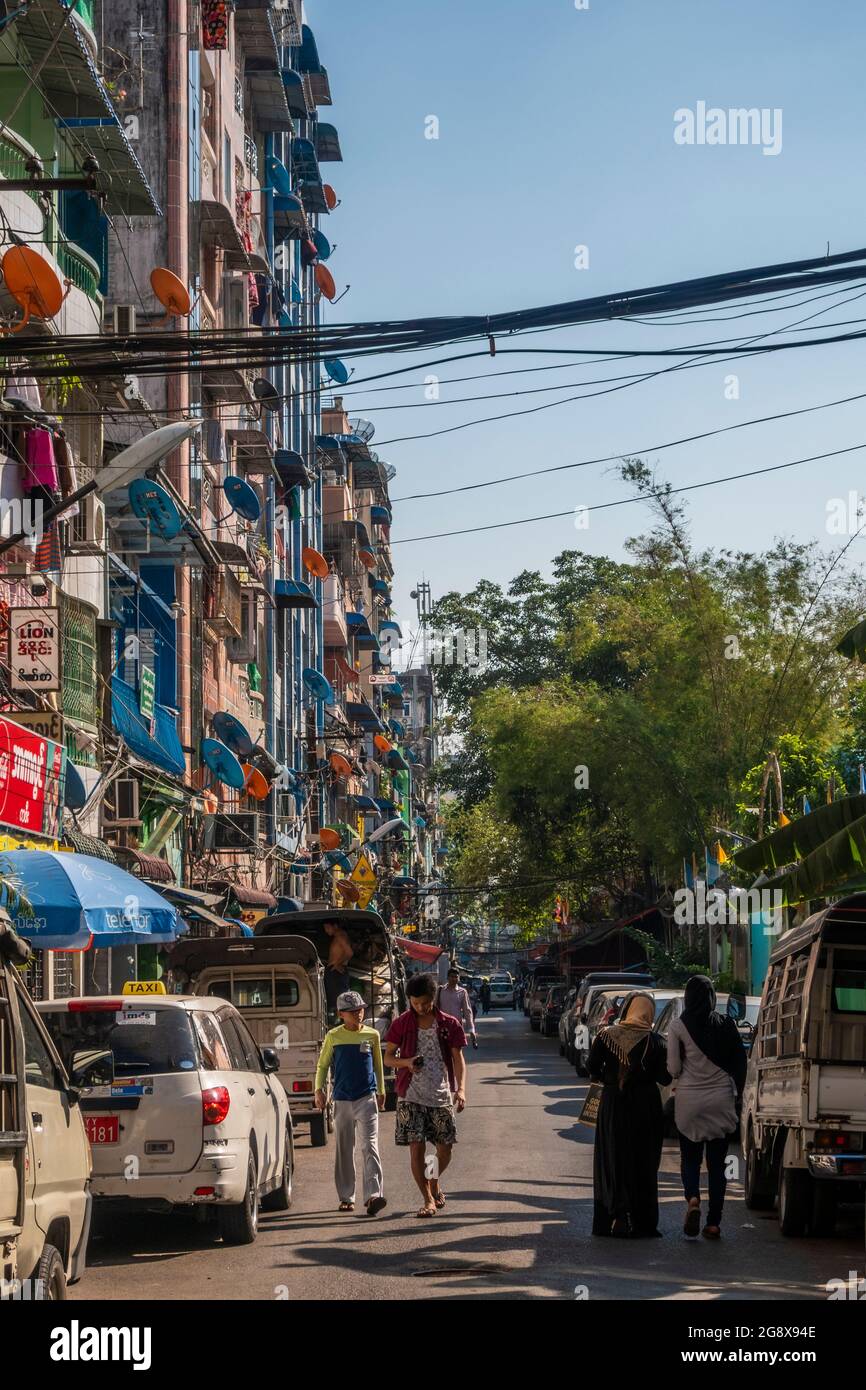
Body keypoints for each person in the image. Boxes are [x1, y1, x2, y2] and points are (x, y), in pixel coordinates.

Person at [666, 975, 747, 1240]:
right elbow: (740, 1063)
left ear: (688, 997)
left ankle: (692, 1199)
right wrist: (736, 1092)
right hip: (720, 1101)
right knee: (717, 1164)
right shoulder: (726, 1024)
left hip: (689, 1101)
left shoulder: (677, 1026)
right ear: (712, 997)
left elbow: (674, 1069)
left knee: (690, 1157)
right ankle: (713, 1223)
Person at [588, 992, 671, 1238]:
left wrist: (612, 1080)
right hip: (645, 1107)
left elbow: (592, 1068)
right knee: (643, 1162)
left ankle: (615, 1214)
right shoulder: (656, 1042)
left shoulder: (606, 1036)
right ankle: (642, 1221)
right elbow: (664, 1078)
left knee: (613, 1158)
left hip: (613, 1105)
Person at [384, 972, 467, 1218]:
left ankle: (433, 1180)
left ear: (434, 998)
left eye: (425, 1003)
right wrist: (407, 1062)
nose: (420, 1007)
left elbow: (458, 1058)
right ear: (409, 1000)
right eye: (415, 1003)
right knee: (416, 1148)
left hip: (441, 1094)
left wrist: (461, 1089)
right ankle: (427, 1198)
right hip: (410, 1095)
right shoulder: (401, 1023)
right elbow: (388, 1057)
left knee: (445, 1149)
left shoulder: (449, 1023)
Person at [315, 989, 387, 1216]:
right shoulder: (333, 1036)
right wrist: (319, 1090)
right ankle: (347, 1197)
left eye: (361, 1009)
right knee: (345, 1149)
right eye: (353, 1011)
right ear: (341, 1014)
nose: (358, 1014)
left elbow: (378, 1065)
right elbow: (323, 1065)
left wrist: (382, 1090)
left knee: (370, 1146)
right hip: (342, 1099)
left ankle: (373, 1195)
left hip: (367, 1098)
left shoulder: (372, 1035)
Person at [437, 967, 477, 1049]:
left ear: (458, 978)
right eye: (452, 976)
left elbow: (467, 1011)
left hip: (456, 1026)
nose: (454, 979)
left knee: (457, 1050)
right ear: (447, 978)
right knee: (444, 1051)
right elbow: (434, 1008)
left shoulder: (462, 992)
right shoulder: (440, 990)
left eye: (456, 977)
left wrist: (471, 1030)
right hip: (443, 1026)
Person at [323, 918, 353, 1012]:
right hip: (333, 971)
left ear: (335, 926)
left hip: (336, 972)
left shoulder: (340, 935)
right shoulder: (337, 936)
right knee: (334, 1000)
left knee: (340, 1000)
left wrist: (337, 964)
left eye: (328, 927)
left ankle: (340, 1022)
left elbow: (349, 952)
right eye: (325, 928)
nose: (326, 930)